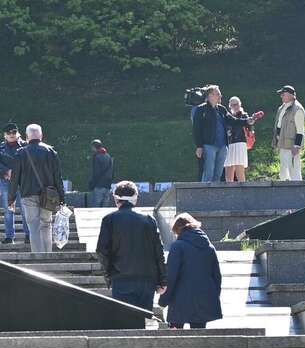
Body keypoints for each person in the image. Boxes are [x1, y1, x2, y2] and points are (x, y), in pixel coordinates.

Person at [94, 181, 166, 315]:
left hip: (121, 279)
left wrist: (108, 274)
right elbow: (158, 252)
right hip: (146, 281)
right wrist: (162, 280)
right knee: (143, 320)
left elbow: (101, 251)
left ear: (116, 199)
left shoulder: (109, 220)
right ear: (135, 198)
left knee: (124, 321)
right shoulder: (148, 220)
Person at [160, 213, 225, 329]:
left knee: (175, 340)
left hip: (179, 302)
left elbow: (171, 276)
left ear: (177, 230)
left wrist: (163, 300)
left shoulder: (178, 246)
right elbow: (217, 276)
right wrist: (212, 298)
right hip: (203, 301)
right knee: (199, 339)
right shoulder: (209, 247)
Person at [13, 123, 65, 253]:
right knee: (46, 225)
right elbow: (57, 177)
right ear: (41, 136)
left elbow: (15, 178)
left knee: (33, 227)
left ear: (26, 137)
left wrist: (10, 197)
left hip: (28, 194)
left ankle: (37, 254)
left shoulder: (21, 153)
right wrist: (62, 198)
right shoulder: (51, 152)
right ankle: (47, 253)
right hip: (48, 195)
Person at [191, 85, 229, 184]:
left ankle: (215, 197)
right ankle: (203, 195)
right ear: (209, 96)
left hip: (222, 146)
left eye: (218, 94)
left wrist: (247, 121)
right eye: (215, 93)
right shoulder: (200, 109)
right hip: (208, 145)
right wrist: (199, 146)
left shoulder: (222, 109)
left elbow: (232, 120)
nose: (218, 95)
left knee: (218, 174)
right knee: (208, 172)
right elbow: (196, 129)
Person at [223, 97, 264, 184]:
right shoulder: (228, 117)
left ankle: (243, 191)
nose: (235, 106)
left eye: (236, 104)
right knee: (228, 172)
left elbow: (249, 124)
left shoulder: (244, 115)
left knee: (239, 171)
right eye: (232, 105)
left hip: (240, 144)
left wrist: (252, 120)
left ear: (240, 104)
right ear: (229, 106)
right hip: (229, 144)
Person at [0, 125, 25, 244]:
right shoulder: (0, 148)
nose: (11, 134)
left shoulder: (25, 145)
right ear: (4, 135)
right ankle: (9, 237)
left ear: (17, 133)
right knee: (9, 210)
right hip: (6, 182)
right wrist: (6, 171)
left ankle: (29, 236)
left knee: (26, 210)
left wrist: (18, 172)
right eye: (8, 132)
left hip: (23, 182)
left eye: (14, 132)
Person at [273, 85, 305, 181]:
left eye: (283, 94)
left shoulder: (298, 109)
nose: (281, 96)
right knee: (283, 171)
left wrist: (296, 146)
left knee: (294, 171)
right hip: (282, 144)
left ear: (290, 95)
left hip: (292, 145)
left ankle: (297, 191)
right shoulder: (281, 108)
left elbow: (300, 130)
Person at [86, 139, 115, 207]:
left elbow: (96, 172)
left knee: (96, 206)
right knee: (105, 206)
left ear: (94, 147)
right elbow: (112, 171)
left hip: (99, 185)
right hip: (107, 185)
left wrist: (92, 184)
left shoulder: (97, 157)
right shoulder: (108, 156)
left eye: (92, 147)